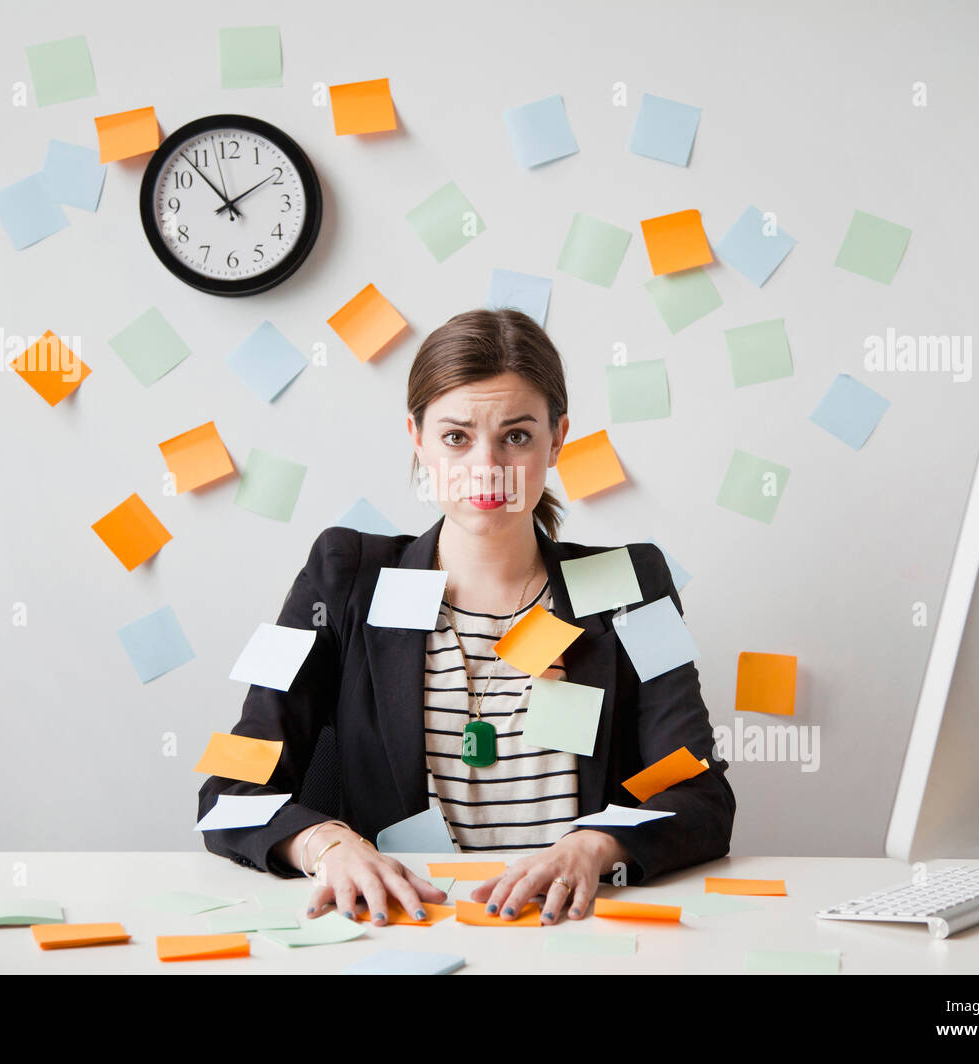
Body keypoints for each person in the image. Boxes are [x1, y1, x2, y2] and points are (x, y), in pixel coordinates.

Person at [198, 307, 735, 925]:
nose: (487, 468)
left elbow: (699, 794)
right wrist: (329, 846)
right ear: (417, 439)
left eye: (517, 435)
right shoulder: (345, 573)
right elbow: (231, 794)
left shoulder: (630, 584)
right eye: (456, 437)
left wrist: (595, 847)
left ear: (557, 438)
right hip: (402, 928)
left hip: (575, 931)